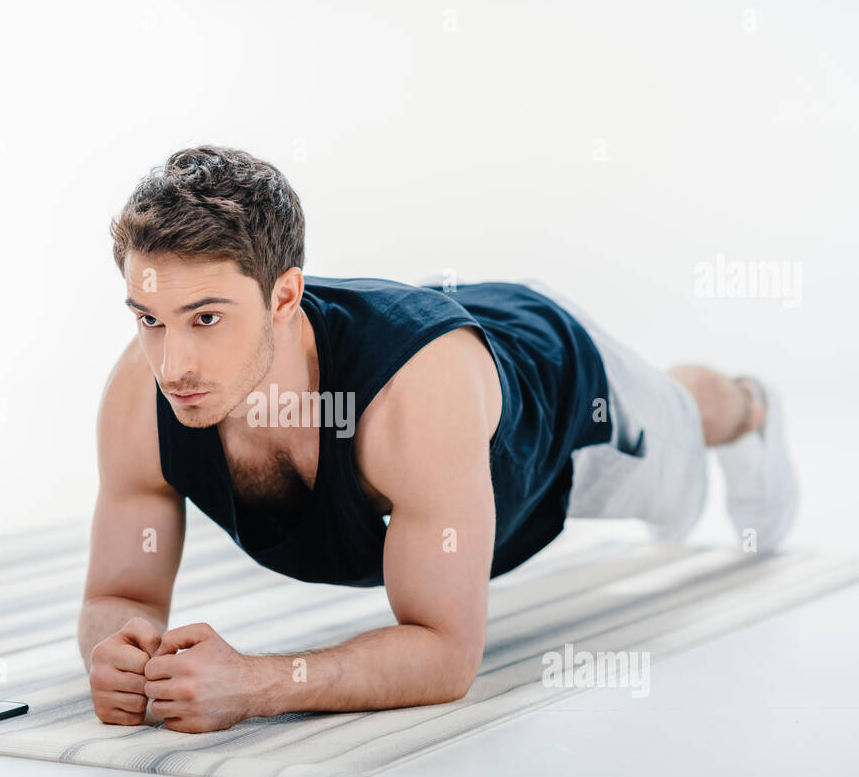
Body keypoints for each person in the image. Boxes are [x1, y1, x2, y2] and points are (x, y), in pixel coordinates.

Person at [78, 145, 798, 733]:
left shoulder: (413, 397)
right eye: (149, 318)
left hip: (568, 392)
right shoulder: (142, 393)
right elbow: (117, 592)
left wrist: (254, 684)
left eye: (206, 319)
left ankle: (752, 404)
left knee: (683, 415)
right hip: (430, 350)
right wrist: (114, 650)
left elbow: (446, 652)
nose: (174, 365)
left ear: (284, 297)